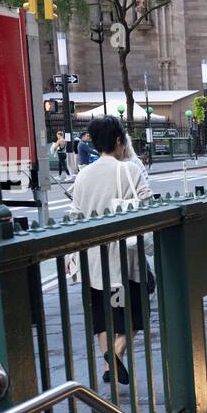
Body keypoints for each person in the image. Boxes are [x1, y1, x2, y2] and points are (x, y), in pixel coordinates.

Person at [69, 116, 154, 385]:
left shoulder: (83, 176)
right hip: (124, 262)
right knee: (134, 314)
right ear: (119, 140)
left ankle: (109, 360)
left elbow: (75, 216)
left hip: (94, 264)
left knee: (104, 315)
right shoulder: (129, 171)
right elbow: (148, 206)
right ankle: (115, 355)